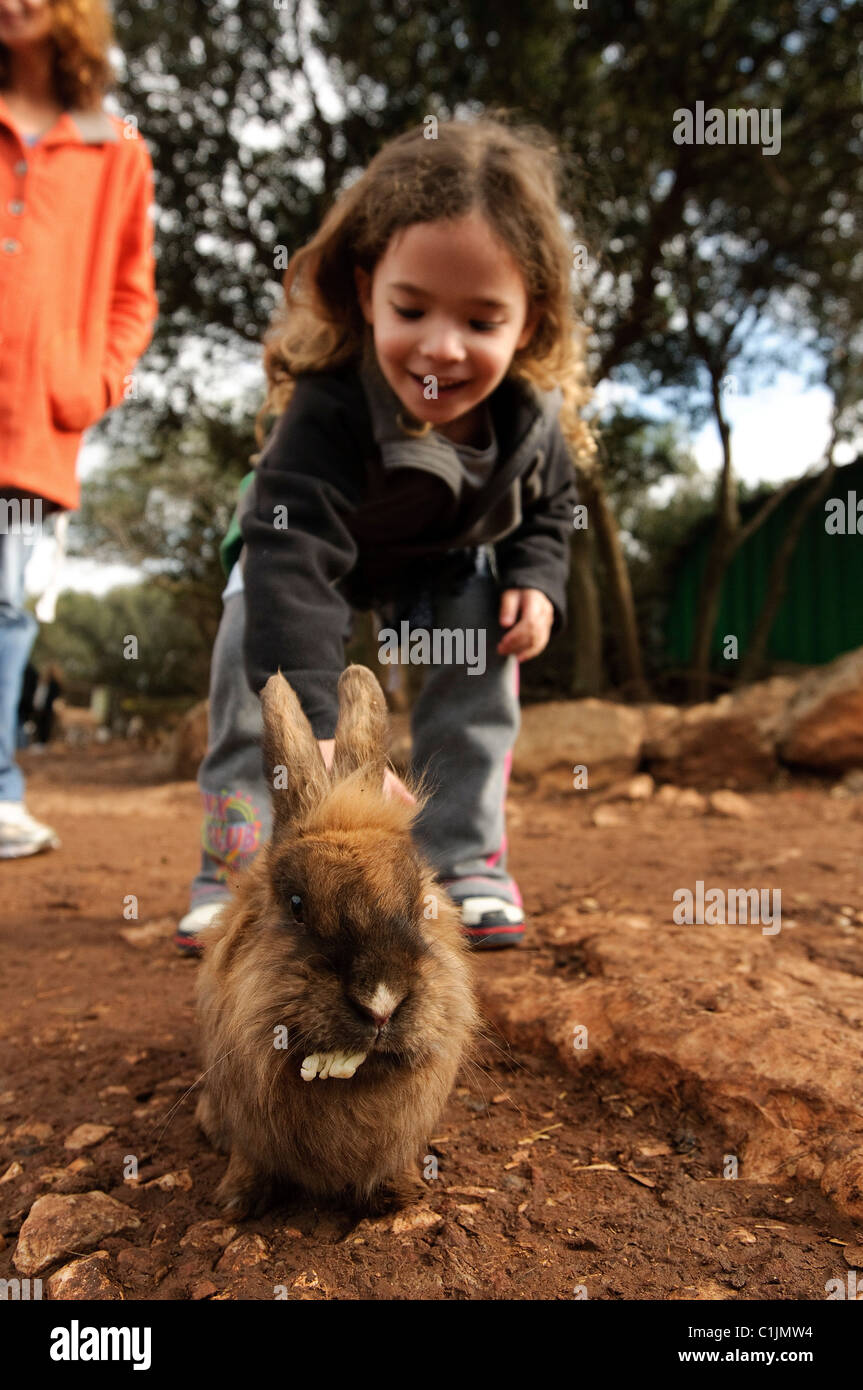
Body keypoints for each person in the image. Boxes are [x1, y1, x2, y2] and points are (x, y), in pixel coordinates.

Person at [175, 116, 595, 954]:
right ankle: (240, 863)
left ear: (530, 321)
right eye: (411, 308)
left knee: (482, 645)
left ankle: (461, 859)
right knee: (248, 666)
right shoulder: (328, 408)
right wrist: (316, 719)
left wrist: (536, 579)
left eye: (481, 322)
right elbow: (292, 562)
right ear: (367, 291)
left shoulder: (528, 422)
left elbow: (548, 506)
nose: (441, 348)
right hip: (297, 551)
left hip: (440, 561)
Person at [0, 0, 158, 859]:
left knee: (1, 603)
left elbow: (134, 295)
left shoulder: (113, 148)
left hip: (32, 430)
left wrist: (91, 383)